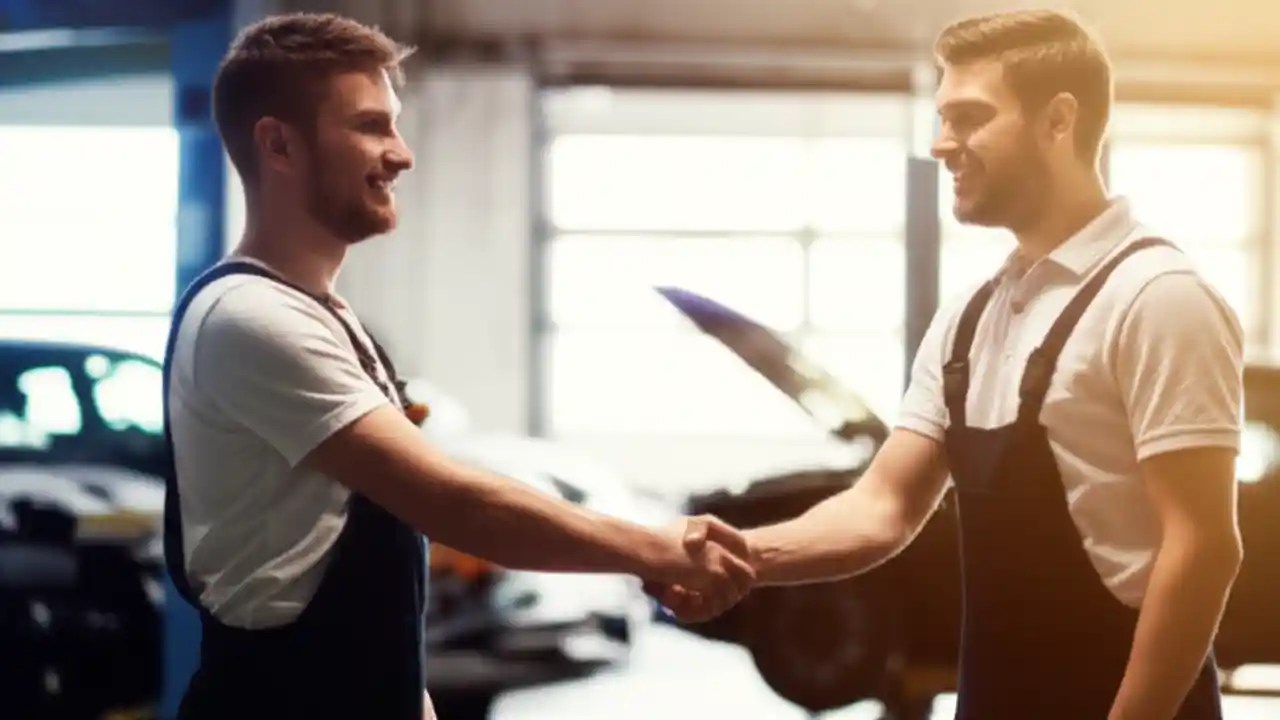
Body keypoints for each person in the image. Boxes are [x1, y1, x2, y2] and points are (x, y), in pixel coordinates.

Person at [654, 9, 1244, 720]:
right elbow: (882, 508)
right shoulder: (969, 319)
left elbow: (1203, 546)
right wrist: (740, 553)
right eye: (941, 119)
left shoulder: (1158, 299)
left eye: (968, 118)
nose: (941, 145)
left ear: (1059, 122)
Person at [162, 12, 752, 720]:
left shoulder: (326, 316)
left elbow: (344, 550)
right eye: (371, 126)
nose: (402, 153)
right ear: (279, 144)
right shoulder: (251, 318)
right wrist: (652, 550)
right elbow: (451, 502)